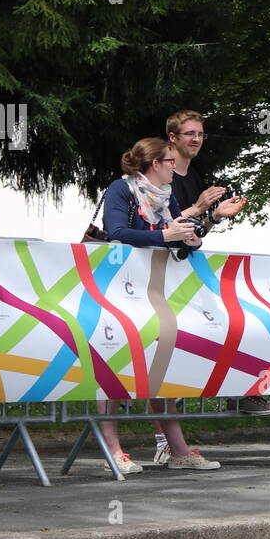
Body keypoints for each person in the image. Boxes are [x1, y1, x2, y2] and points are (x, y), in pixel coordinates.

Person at [97, 138, 221, 474]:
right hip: (115, 287)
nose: (175, 167)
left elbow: (179, 232)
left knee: (160, 361)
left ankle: (178, 449)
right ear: (156, 163)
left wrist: (193, 237)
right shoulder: (122, 189)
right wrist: (166, 236)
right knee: (112, 360)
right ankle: (114, 452)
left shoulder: (167, 195)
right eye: (170, 161)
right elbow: (116, 232)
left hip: (153, 288)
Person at [164, 110, 270, 425]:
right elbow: (157, 224)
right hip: (159, 272)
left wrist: (214, 217)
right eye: (189, 134)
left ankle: (241, 393)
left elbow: (193, 233)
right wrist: (199, 209)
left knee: (234, 324)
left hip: (186, 268)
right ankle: (165, 440)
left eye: (200, 134)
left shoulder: (193, 176)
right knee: (171, 349)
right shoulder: (159, 173)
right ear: (173, 137)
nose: (197, 139)